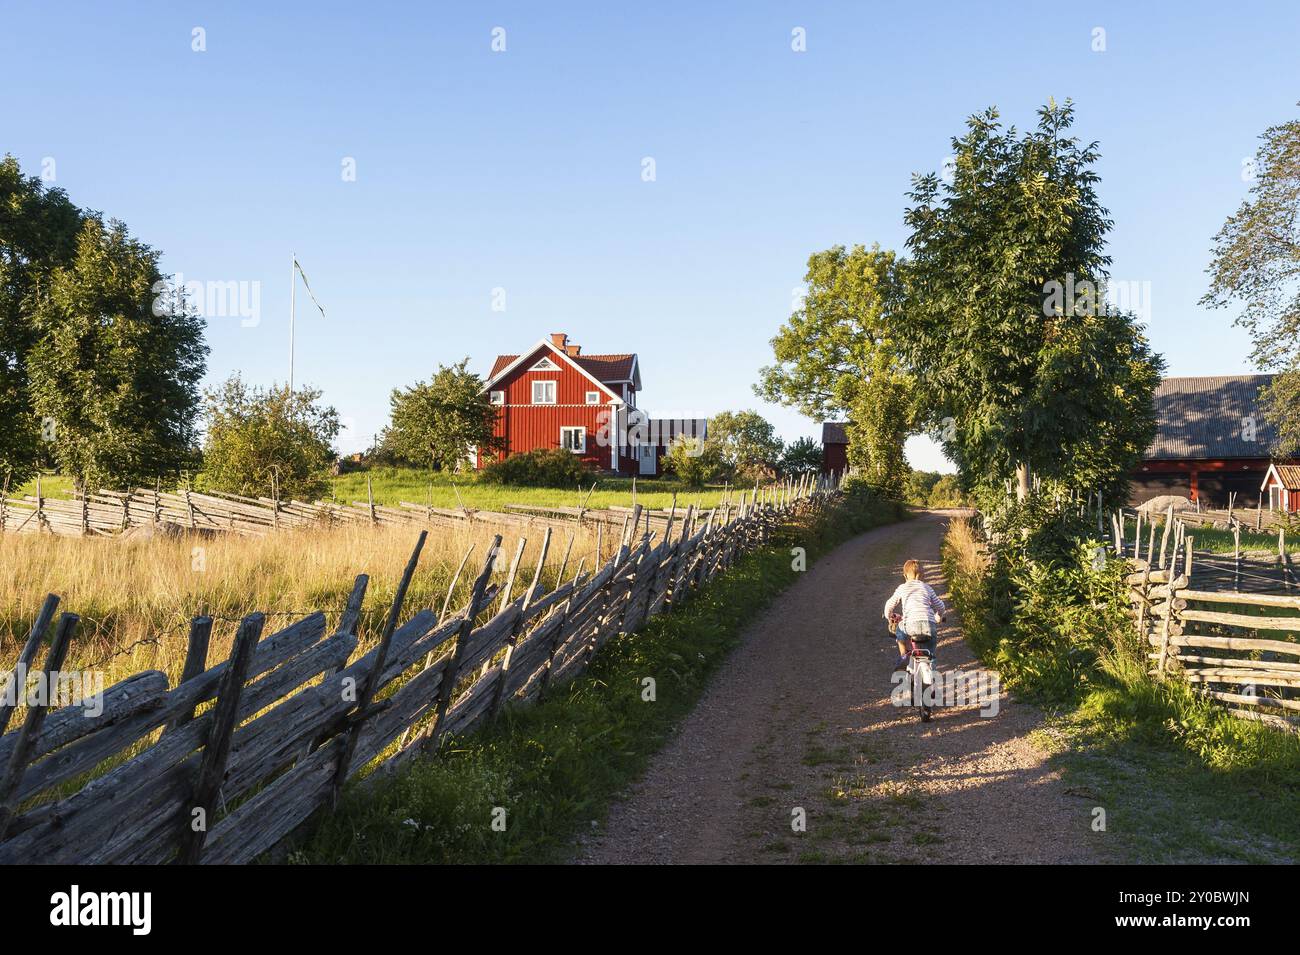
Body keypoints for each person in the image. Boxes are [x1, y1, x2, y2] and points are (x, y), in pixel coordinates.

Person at [883, 559, 945, 669]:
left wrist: (889, 616)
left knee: (899, 630)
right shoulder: (928, 588)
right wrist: (939, 616)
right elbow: (940, 606)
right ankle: (932, 669)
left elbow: (889, 605)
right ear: (923, 576)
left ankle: (904, 656)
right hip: (929, 625)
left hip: (910, 625)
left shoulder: (902, 588)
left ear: (905, 576)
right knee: (930, 651)